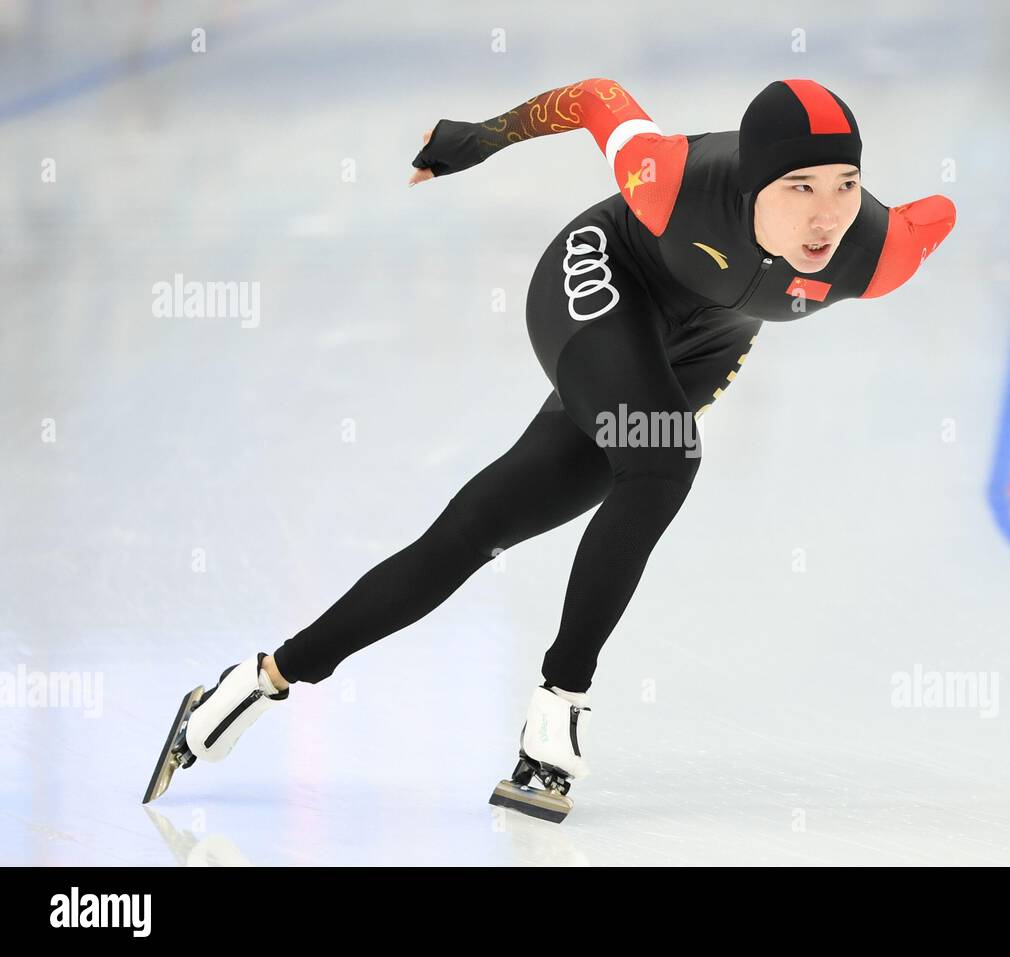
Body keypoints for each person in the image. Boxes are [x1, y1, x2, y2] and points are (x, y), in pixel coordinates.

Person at [143, 78, 956, 821]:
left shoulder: (879, 253)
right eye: (800, 187)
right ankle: (559, 705)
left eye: (846, 185)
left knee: (476, 528)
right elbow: (597, 98)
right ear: (749, 182)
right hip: (603, 280)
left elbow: (932, 221)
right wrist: (479, 137)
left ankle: (256, 682)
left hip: (702, 347)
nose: (828, 215)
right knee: (666, 455)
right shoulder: (669, 178)